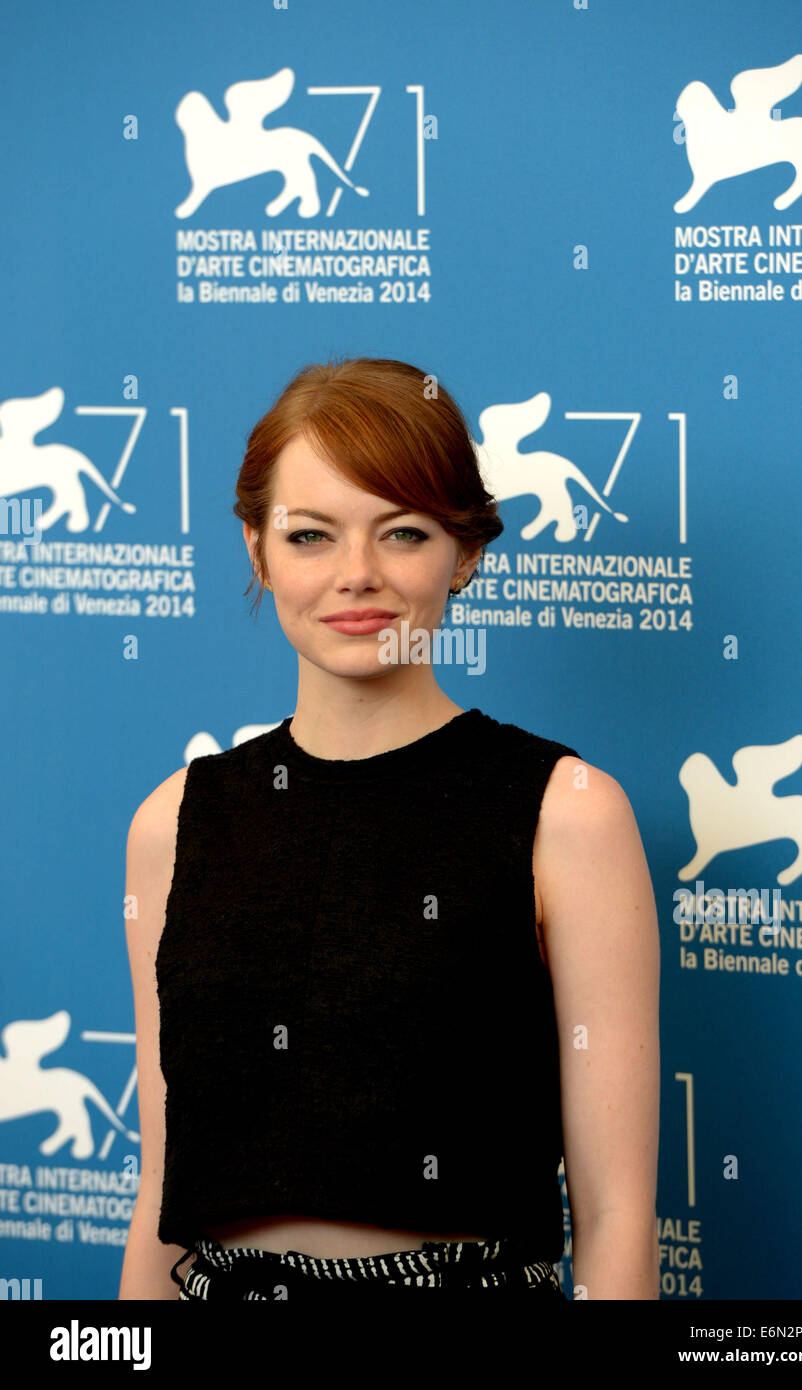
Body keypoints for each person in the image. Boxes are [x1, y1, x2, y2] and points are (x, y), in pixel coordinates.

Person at [118, 356, 660, 1302]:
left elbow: (616, 1217)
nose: (355, 576)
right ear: (257, 550)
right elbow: (162, 1193)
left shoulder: (564, 811)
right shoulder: (174, 823)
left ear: (466, 552)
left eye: (402, 532)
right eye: (311, 535)